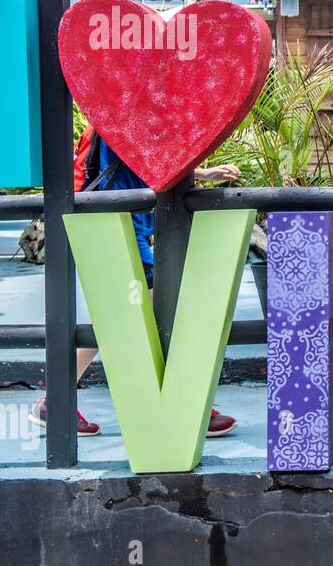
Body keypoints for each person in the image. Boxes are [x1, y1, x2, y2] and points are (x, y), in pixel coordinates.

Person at [29, 131, 243, 436]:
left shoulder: (117, 113)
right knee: (157, 313)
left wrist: (203, 173)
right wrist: (201, 172)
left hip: (119, 227)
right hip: (119, 227)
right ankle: (186, 408)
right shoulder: (119, 114)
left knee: (123, 317)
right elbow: (151, 160)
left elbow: (146, 157)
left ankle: (56, 402)